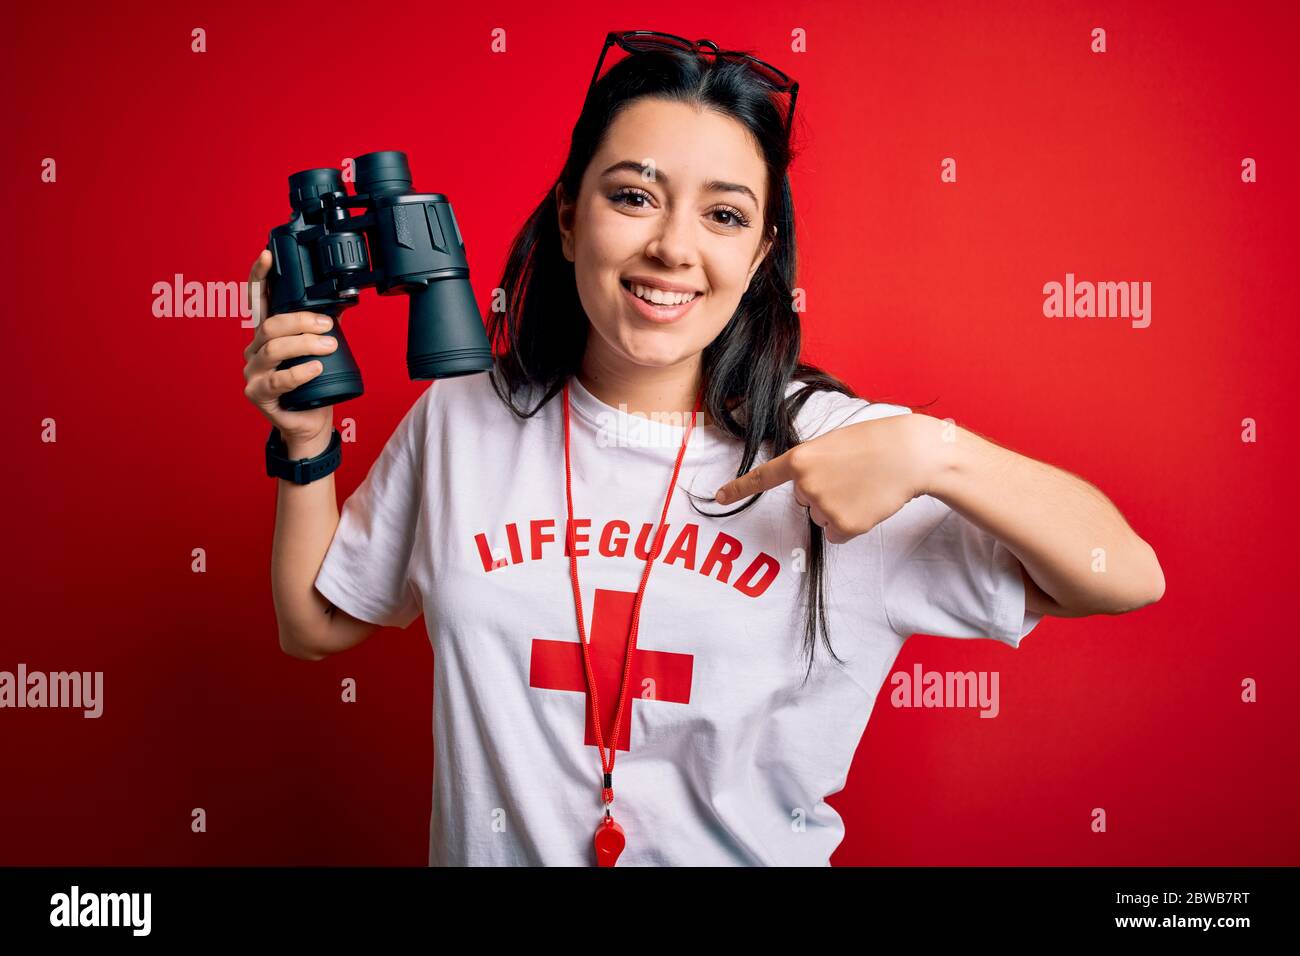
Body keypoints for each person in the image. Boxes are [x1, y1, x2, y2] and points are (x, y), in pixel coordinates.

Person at [241, 33, 1165, 866]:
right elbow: (315, 625)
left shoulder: (846, 453)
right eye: (634, 197)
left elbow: (1123, 575)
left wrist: (936, 453)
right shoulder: (464, 418)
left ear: (762, 254)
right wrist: (307, 442)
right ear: (569, 218)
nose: (673, 247)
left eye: (723, 216)